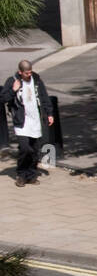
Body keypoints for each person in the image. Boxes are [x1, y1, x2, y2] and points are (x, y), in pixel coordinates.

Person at [4, 59, 53, 188]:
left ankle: (31, 175)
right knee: (25, 148)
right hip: (21, 121)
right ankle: (21, 174)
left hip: (35, 120)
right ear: (20, 72)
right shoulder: (12, 81)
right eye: (26, 73)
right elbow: (3, 98)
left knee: (34, 150)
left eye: (30, 72)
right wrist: (13, 90)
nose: (29, 75)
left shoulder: (36, 80)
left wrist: (49, 113)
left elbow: (44, 97)